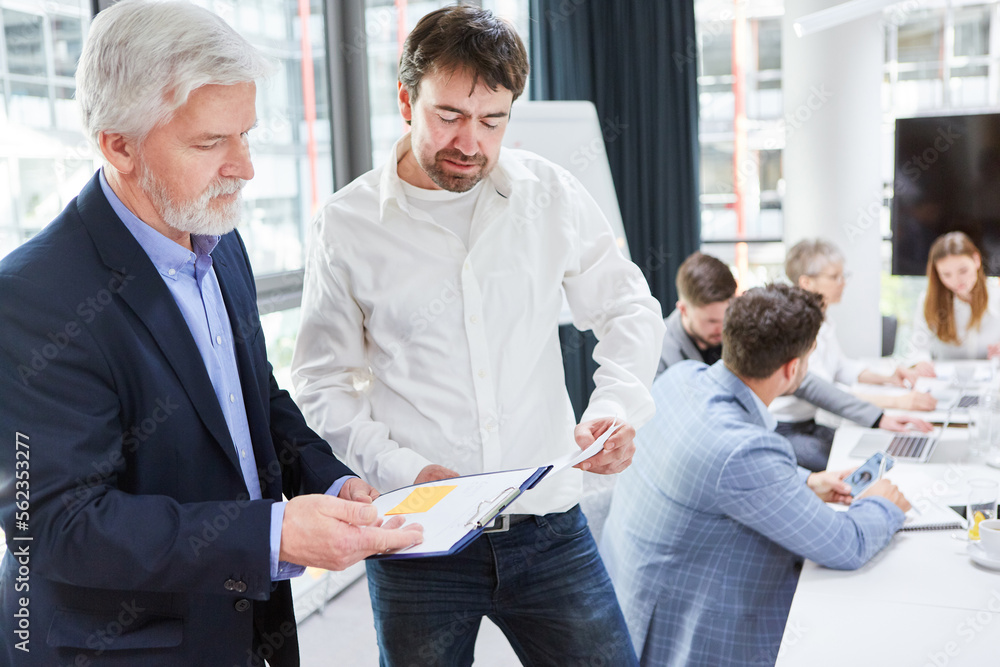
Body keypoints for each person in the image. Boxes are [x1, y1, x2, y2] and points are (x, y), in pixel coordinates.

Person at [0, 3, 422, 665]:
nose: (246, 167)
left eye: (247, 135)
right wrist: (274, 532)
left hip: (246, 632)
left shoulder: (219, 240)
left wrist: (334, 482)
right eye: (210, 143)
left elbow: (258, 399)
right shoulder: (31, 296)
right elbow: (56, 525)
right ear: (117, 144)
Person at [291, 6, 664, 665]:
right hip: (417, 534)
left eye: (492, 120)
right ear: (406, 99)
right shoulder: (346, 225)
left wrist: (614, 407)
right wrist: (406, 471)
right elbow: (322, 381)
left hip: (549, 526)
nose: (471, 141)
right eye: (450, 116)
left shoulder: (549, 194)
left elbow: (627, 306)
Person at [601, 283, 912, 667]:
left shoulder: (678, 378)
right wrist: (884, 502)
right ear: (792, 368)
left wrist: (804, 481)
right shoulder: (744, 450)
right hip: (695, 638)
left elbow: (711, 472)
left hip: (633, 606)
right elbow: (846, 545)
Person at [663, 251, 931, 471]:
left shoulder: (735, 328)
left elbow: (804, 380)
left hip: (758, 434)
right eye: (711, 321)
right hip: (716, 455)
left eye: (725, 317)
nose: (721, 328)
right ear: (683, 309)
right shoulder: (663, 358)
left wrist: (877, 417)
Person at [773, 238, 935, 470]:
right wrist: (897, 402)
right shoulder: (797, 327)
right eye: (834, 277)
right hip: (787, 429)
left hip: (810, 423)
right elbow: (825, 391)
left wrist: (887, 377)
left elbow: (840, 367)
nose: (843, 283)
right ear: (806, 282)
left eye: (843, 275)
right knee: (854, 468)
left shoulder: (823, 319)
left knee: (881, 452)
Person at [910, 231, 1000, 361]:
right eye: (946, 275)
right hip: (942, 379)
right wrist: (920, 363)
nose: (956, 281)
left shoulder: (997, 297)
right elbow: (917, 350)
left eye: (963, 271)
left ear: (976, 260)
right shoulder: (928, 301)